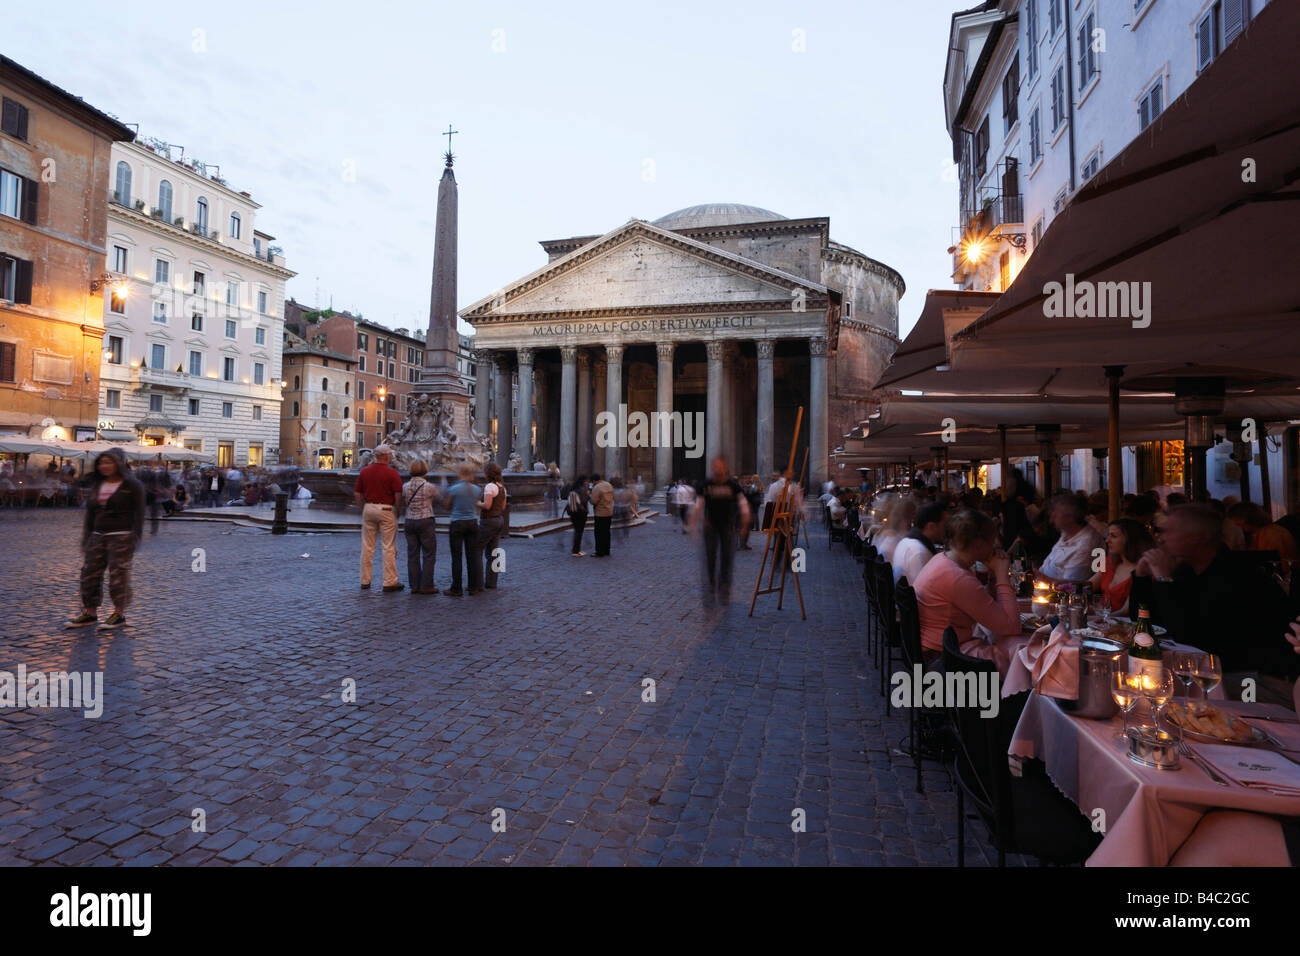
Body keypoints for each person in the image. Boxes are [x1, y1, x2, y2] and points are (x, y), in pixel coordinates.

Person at [1133, 504, 1295, 693]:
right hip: (1213, 672)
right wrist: (1141, 578)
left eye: (1168, 532)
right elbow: (1149, 624)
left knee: (1155, 689)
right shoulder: (1188, 571)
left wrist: (1163, 579)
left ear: (1196, 538)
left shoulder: (1238, 578)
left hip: (1253, 683)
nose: (1160, 539)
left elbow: (1189, 635)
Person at [914, 508, 1020, 670]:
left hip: (935, 647)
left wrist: (993, 577)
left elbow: (987, 606)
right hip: (946, 657)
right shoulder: (957, 577)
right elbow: (1011, 627)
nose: (996, 546)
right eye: (993, 541)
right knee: (1021, 656)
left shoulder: (943, 560)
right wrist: (1002, 576)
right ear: (978, 544)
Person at [66, 448, 146, 630]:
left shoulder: (132, 485)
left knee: (119, 574)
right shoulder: (98, 484)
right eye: (102, 462)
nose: (105, 466)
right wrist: (86, 537)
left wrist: (135, 537)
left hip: (121, 535)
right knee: (89, 573)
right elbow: (91, 513)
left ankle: (119, 614)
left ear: (119, 463)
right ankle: (90, 613)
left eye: (109, 462)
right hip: (97, 535)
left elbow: (140, 514)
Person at [693, 456, 750, 606]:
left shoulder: (732, 485)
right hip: (710, 525)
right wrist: (697, 520)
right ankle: (712, 584)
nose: (717, 469)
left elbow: (743, 504)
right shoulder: (706, 484)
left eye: (720, 466)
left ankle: (724, 584)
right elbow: (699, 504)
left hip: (727, 526)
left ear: (724, 468)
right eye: (715, 466)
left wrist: (745, 523)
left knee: (726, 556)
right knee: (710, 556)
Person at [354, 444, 404, 592]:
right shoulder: (392, 473)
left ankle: (365, 580)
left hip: (369, 508)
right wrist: (398, 510)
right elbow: (398, 495)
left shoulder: (365, 472)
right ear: (387, 456)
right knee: (388, 547)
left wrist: (364, 507)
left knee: (367, 546)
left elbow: (357, 493)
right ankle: (389, 582)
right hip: (387, 509)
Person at [1086, 518, 1156, 615]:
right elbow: (1086, 587)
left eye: (1113, 536)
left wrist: (1100, 617)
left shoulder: (1143, 570)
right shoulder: (1108, 563)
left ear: (1130, 539)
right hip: (1102, 620)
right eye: (1108, 536)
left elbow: (1125, 611)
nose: (1107, 540)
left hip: (1124, 624)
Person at [1036, 493, 1104, 585]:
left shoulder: (1087, 544)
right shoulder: (1067, 533)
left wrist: (1039, 576)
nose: (1051, 518)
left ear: (1070, 518)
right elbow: (1045, 568)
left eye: (1056, 514)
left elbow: (1070, 587)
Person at [402, 461, 442, 594]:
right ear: (425, 470)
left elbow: (403, 500)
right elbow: (439, 498)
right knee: (429, 554)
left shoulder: (405, 486)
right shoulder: (429, 486)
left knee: (412, 554)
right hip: (425, 520)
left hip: (409, 520)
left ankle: (414, 585)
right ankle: (426, 585)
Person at [445, 464, 483, 596]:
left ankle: (456, 588)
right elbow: (476, 503)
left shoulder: (454, 488)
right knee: (471, 556)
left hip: (457, 522)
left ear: (460, 473)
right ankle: (473, 587)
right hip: (472, 522)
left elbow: (447, 505)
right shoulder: (477, 489)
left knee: (456, 557)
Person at [893, 501, 948, 587]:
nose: (947, 529)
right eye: (945, 525)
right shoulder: (919, 553)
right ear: (931, 526)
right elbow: (924, 591)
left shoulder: (906, 541)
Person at [478, 462, 508, 590]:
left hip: (488, 521)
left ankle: (477, 582)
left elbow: (487, 506)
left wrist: (477, 502)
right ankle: (492, 582)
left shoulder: (489, 487)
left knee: (476, 550)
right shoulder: (502, 488)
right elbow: (503, 506)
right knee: (494, 552)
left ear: (488, 473)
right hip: (499, 520)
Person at [589, 472, 614, 557]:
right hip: (609, 512)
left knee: (599, 533)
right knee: (607, 532)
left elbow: (593, 501)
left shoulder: (597, 487)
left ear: (594, 481)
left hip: (600, 513)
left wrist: (589, 497)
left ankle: (599, 551)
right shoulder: (609, 485)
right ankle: (607, 550)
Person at [565, 475, 589, 556]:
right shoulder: (583, 490)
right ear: (583, 482)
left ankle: (576, 550)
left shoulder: (573, 489)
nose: (587, 483)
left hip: (573, 513)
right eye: (586, 481)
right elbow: (586, 500)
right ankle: (576, 551)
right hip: (581, 513)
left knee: (577, 531)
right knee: (579, 532)